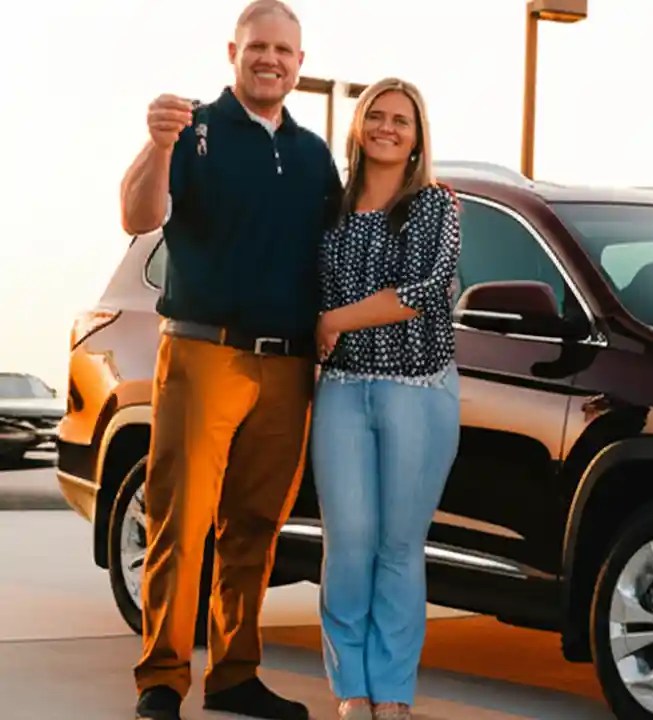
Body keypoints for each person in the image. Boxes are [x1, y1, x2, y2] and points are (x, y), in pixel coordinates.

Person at [119, 2, 340, 719]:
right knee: (181, 522)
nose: (270, 59)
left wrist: (426, 200)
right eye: (258, 47)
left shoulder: (312, 155)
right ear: (233, 52)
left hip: (287, 367)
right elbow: (139, 216)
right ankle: (162, 677)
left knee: (254, 525)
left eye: (284, 50)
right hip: (204, 352)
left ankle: (235, 674)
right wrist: (158, 145)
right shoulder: (192, 129)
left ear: (300, 64)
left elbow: (343, 239)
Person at [309, 77, 462, 720]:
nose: (387, 128)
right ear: (358, 126)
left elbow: (424, 291)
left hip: (418, 393)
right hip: (342, 392)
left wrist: (335, 320)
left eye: (402, 120)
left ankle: (393, 693)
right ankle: (351, 688)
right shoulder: (330, 208)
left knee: (399, 546)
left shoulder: (435, 205)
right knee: (348, 543)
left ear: (418, 137)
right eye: (377, 115)